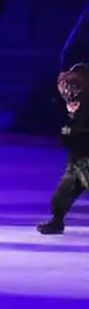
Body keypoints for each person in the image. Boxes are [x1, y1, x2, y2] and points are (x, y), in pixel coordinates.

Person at [39, 64, 89, 234]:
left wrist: (75, 133)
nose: (69, 91)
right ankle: (56, 221)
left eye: (74, 87)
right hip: (77, 159)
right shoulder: (73, 100)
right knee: (61, 196)